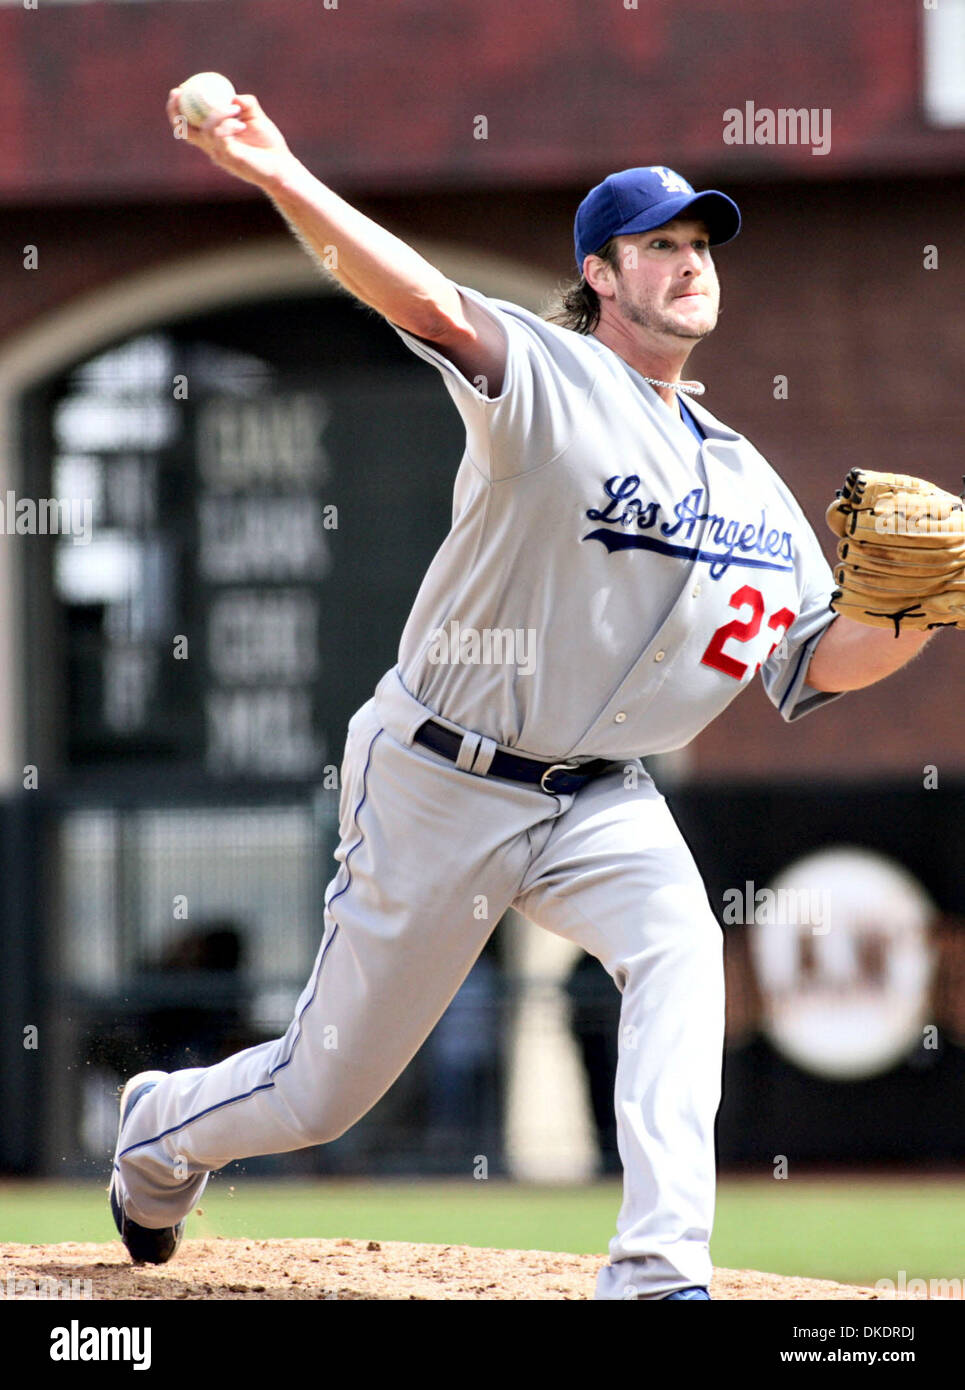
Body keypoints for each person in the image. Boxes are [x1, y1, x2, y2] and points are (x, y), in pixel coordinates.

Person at [108, 88, 935, 1300]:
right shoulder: (546, 379)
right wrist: (281, 172)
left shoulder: (751, 484)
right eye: (659, 244)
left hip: (599, 796)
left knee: (679, 952)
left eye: (700, 245)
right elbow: (422, 298)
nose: (689, 264)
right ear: (599, 275)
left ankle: (656, 1268)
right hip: (442, 772)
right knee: (319, 1093)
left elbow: (817, 660)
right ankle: (158, 1127)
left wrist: (912, 613)